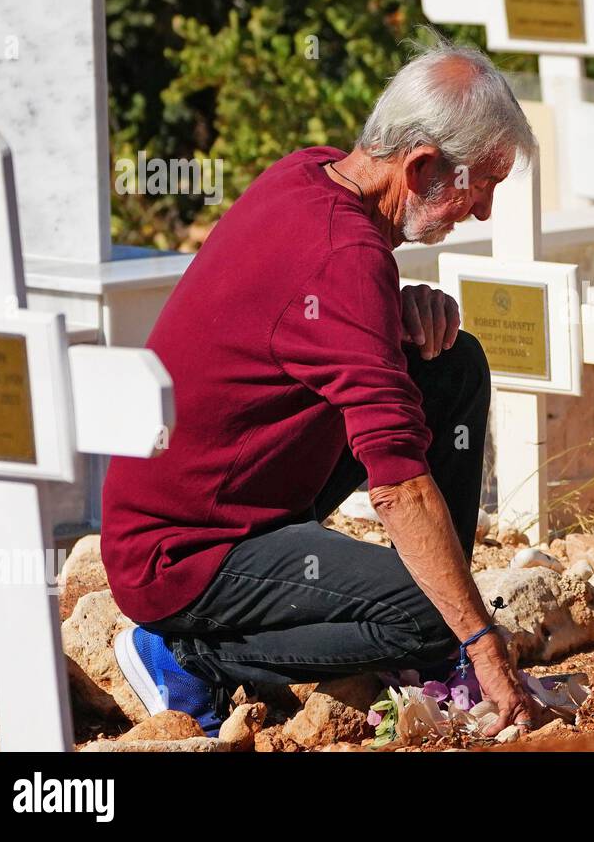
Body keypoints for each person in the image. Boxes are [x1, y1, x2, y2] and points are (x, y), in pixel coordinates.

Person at [101, 41, 540, 737]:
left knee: (453, 365)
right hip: (181, 554)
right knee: (446, 616)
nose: (481, 210)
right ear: (422, 166)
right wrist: (479, 639)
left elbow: (301, 316)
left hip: (252, 499)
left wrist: (388, 315)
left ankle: (426, 643)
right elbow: (395, 484)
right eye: (478, 184)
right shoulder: (345, 257)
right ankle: (183, 652)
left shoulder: (311, 172)